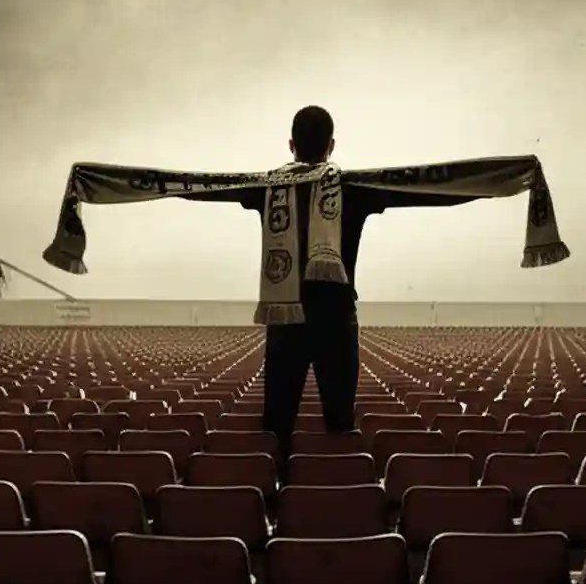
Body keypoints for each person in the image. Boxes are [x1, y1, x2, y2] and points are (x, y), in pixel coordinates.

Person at [198, 105, 474, 456]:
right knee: (341, 426)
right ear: (331, 145)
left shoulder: (267, 189)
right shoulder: (353, 190)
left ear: (291, 144)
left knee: (277, 426)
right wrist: (502, 183)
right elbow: (430, 191)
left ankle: (278, 496)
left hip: (287, 321)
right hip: (337, 320)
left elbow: (201, 188)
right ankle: (340, 494)